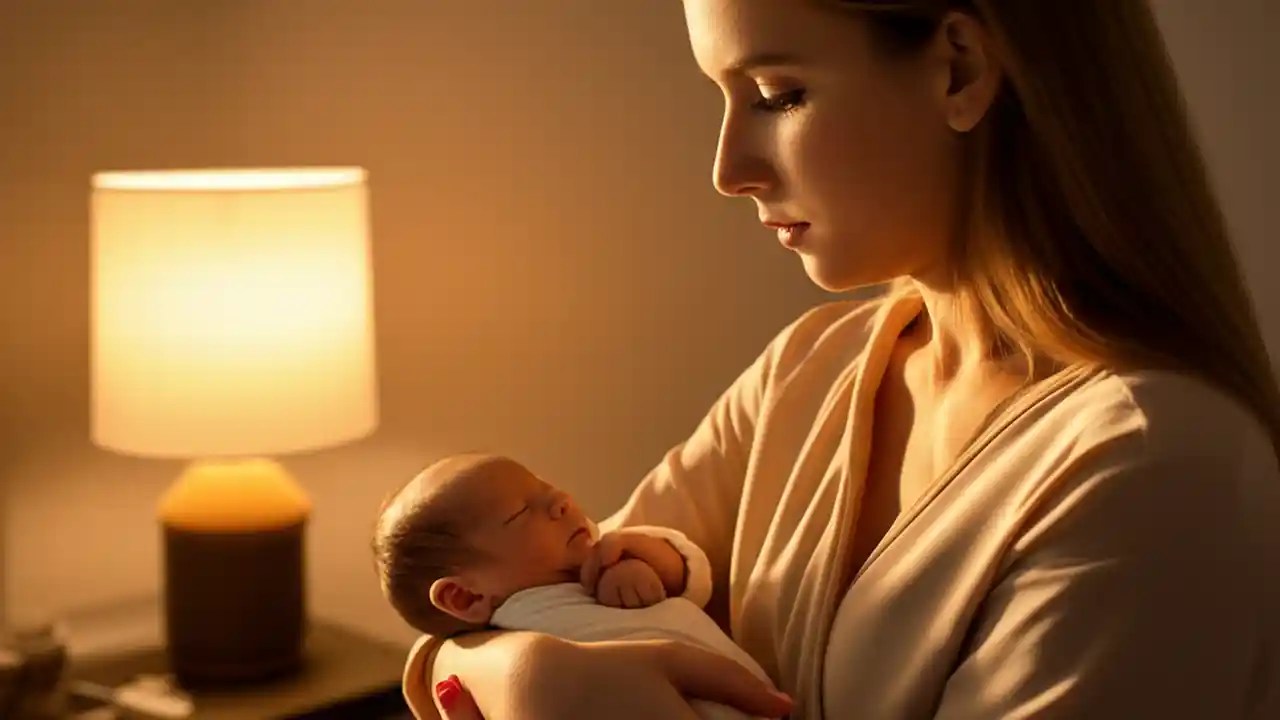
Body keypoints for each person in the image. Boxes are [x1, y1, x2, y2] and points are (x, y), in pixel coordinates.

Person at [404, 0, 1280, 717]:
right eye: (724, 96)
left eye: (778, 94)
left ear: (961, 69)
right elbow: (507, 603)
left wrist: (533, 685)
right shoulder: (810, 369)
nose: (727, 168)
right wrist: (526, 678)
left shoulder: (1156, 461)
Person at [373, 453, 777, 720]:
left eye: (547, 489)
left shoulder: (605, 554)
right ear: (465, 596)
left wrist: (652, 563)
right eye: (521, 512)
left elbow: (694, 574)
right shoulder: (509, 630)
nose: (561, 501)